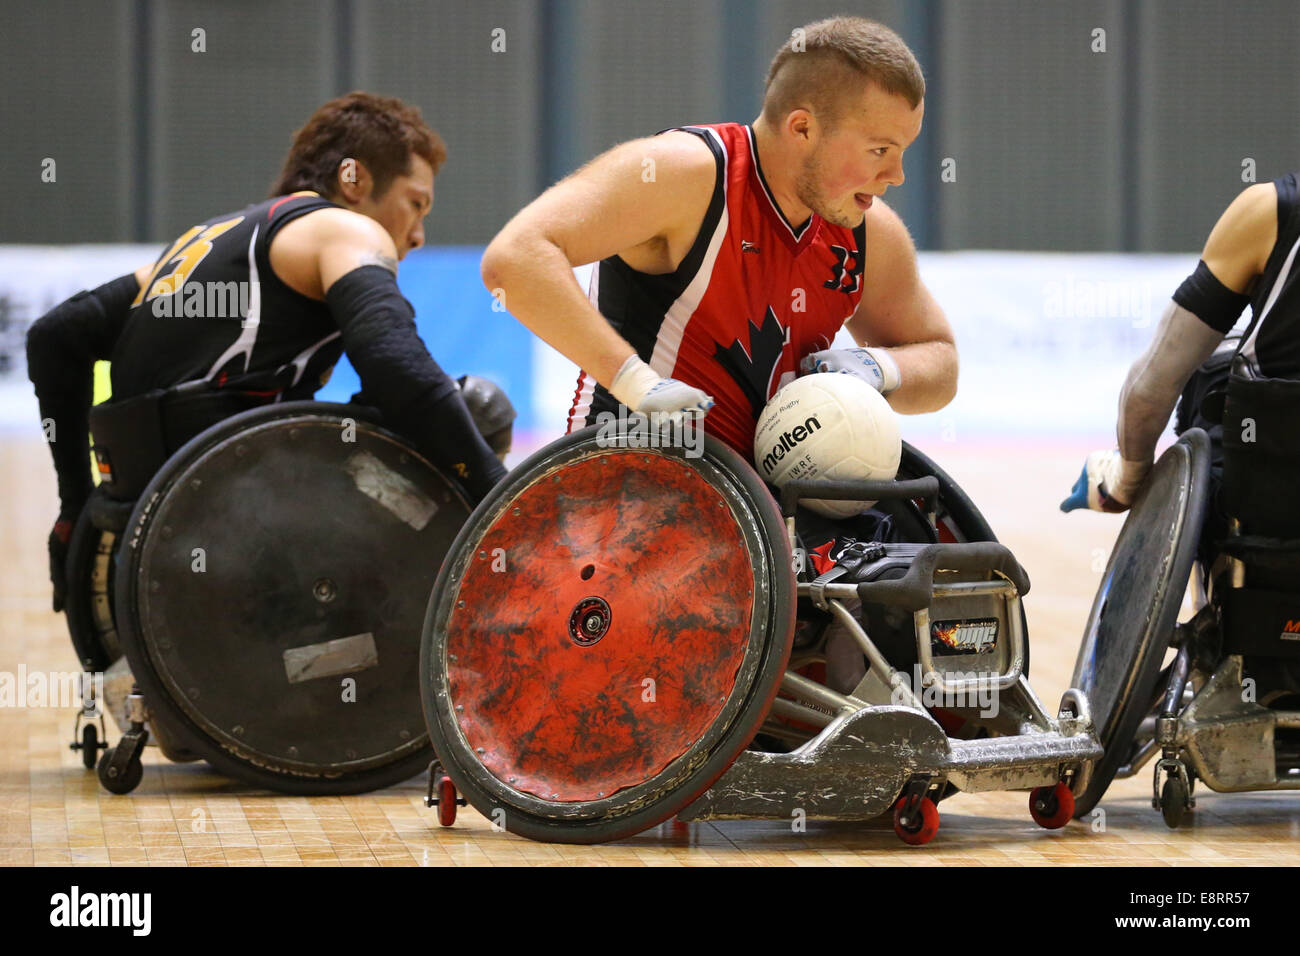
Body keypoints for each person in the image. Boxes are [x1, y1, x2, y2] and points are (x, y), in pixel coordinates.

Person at [482, 16, 956, 696]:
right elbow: (514, 260)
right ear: (802, 128)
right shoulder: (686, 174)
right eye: (882, 148)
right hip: (638, 483)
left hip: (776, 502)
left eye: (905, 151)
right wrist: (637, 383)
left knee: (912, 573)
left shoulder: (866, 231)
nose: (900, 174)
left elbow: (939, 359)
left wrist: (880, 369)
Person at [28, 91, 510, 612]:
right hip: (233, 514)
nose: (417, 235)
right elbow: (397, 367)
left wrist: (74, 506)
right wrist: (505, 500)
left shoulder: (205, 241)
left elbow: (56, 335)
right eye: (416, 203)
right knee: (475, 411)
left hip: (135, 515)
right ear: (356, 180)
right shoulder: (345, 229)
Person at [1061, 174, 1292, 515]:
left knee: (1211, 373)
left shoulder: (1270, 211)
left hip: (1271, 506)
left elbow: (1150, 387)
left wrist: (1124, 481)